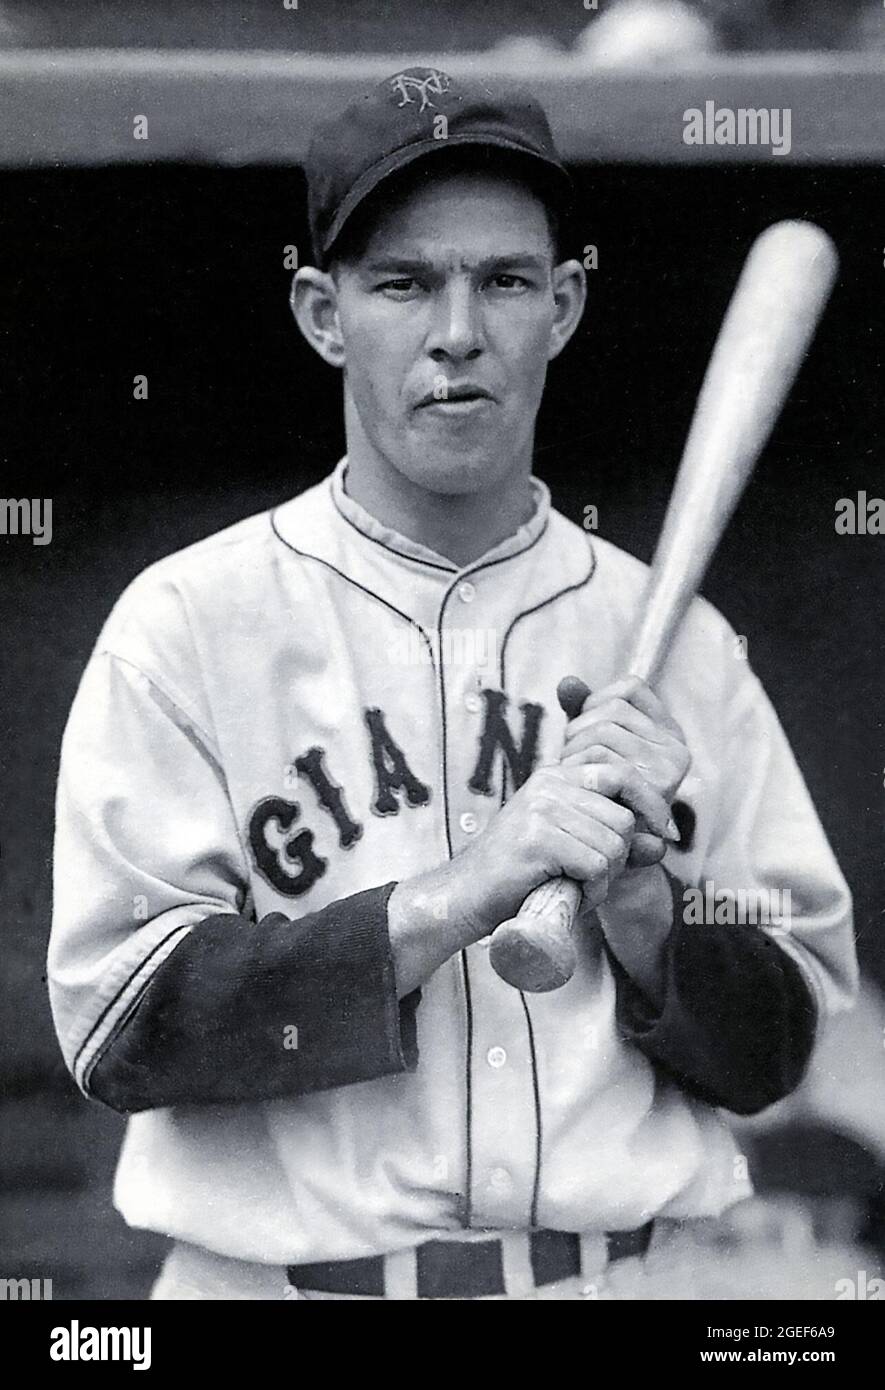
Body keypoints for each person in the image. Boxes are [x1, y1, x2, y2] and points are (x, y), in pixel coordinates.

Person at [48, 67, 856, 1300]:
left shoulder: (678, 640)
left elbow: (777, 1047)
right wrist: (465, 890)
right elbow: (124, 1027)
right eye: (405, 281)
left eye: (506, 280)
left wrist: (648, 918)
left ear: (565, 304)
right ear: (325, 313)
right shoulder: (187, 626)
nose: (458, 330)